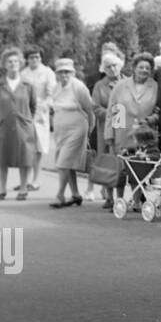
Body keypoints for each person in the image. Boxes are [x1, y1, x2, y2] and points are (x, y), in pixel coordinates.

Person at [104, 53, 161, 211]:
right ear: (134, 68)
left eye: (147, 68)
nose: (144, 70)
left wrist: (150, 120)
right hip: (123, 132)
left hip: (144, 135)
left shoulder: (155, 86)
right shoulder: (121, 86)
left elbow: (157, 110)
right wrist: (110, 134)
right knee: (121, 168)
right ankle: (119, 201)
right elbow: (114, 110)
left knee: (140, 167)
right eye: (140, 67)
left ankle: (136, 201)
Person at [0, 47, 38, 200]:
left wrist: (26, 120)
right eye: (9, 61)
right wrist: (1, 119)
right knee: (2, 158)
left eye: (16, 61)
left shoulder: (28, 85)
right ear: (4, 64)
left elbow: (33, 106)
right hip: (3, 126)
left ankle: (23, 188)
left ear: (21, 63)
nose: (13, 64)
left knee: (25, 157)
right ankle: (2, 189)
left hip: (23, 126)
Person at [48, 58, 94, 207]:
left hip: (77, 129)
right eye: (61, 72)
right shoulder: (56, 88)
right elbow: (53, 109)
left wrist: (89, 132)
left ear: (73, 72)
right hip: (61, 131)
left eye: (67, 72)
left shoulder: (79, 88)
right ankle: (75, 194)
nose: (64, 75)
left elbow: (90, 111)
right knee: (68, 163)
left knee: (63, 162)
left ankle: (60, 195)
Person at [20, 47, 57, 191]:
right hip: (25, 113)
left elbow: (51, 93)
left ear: (41, 58)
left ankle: (35, 180)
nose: (34, 59)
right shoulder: (23, 74)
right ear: (27, 59)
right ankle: (26, 179)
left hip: (41, 113)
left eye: (37, 57)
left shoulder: (47, 72)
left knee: (39, 148)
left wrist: (44, 106)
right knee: (26, 148)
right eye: (31, 57)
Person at [90, 52, 125, 207]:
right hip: (105, 129)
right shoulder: (99, 86)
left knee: (122, 162)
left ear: (120, 66)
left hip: (124, 129)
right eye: (108, 66)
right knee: (107, 162)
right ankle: (109, 197)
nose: (112, 69)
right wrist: (113, 113)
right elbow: (95, 107)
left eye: (114, 65)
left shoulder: (127, 82)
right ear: (103, 69)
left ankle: (121, 197)